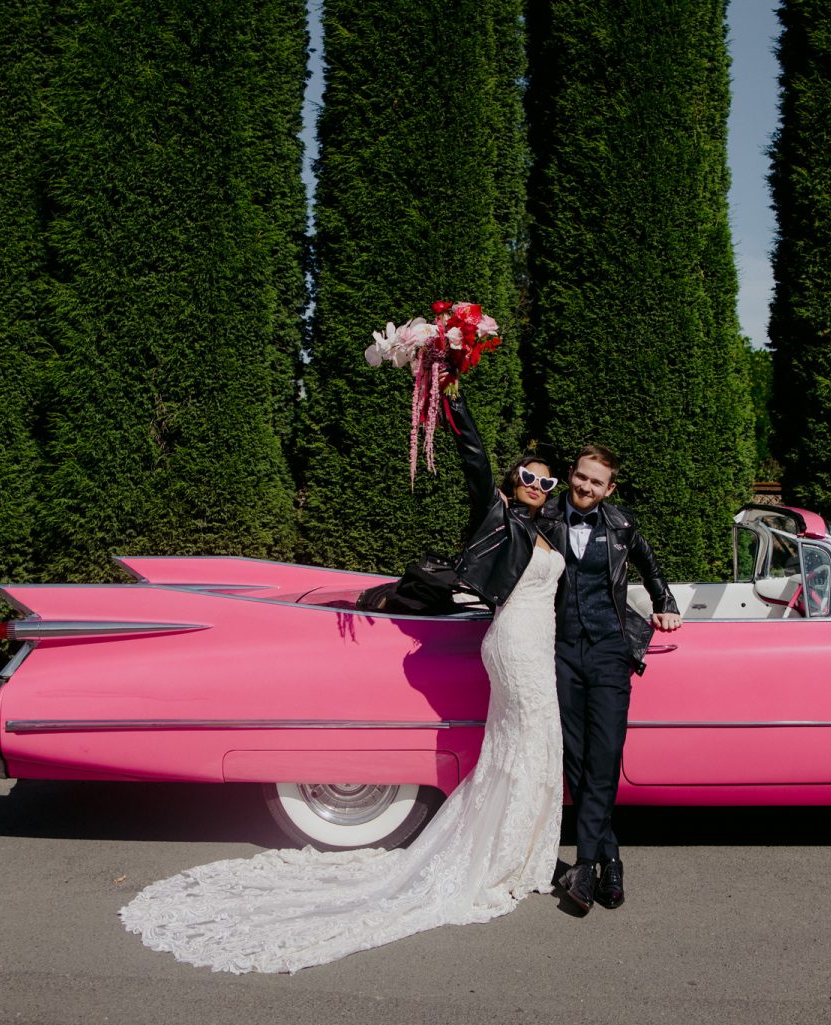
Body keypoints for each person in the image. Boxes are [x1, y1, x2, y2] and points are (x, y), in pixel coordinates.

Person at [118, 387, 564, 974]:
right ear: (513, 482)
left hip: (538, 642)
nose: (538, 486)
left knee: (532, 745)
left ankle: (525, 853)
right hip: (512, 643)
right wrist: (452, 400)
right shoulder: (497, 515)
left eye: (546, 483)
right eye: (529, 477)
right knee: (522, 742)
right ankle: (501, 858)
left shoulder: (547, 530)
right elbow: (474, 461)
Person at [536, 444, 681, 913]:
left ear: (609, 488)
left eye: (596, 482)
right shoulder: (545, 517)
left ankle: (585, 862)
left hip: (611, 648)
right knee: (575, 754)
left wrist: (666, 603)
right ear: (571, 474)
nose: (585, 487)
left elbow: (649, 564)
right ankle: (609, 861)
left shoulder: (622, 524)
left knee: (605, 752)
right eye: (580, 477)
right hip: (559, 648)